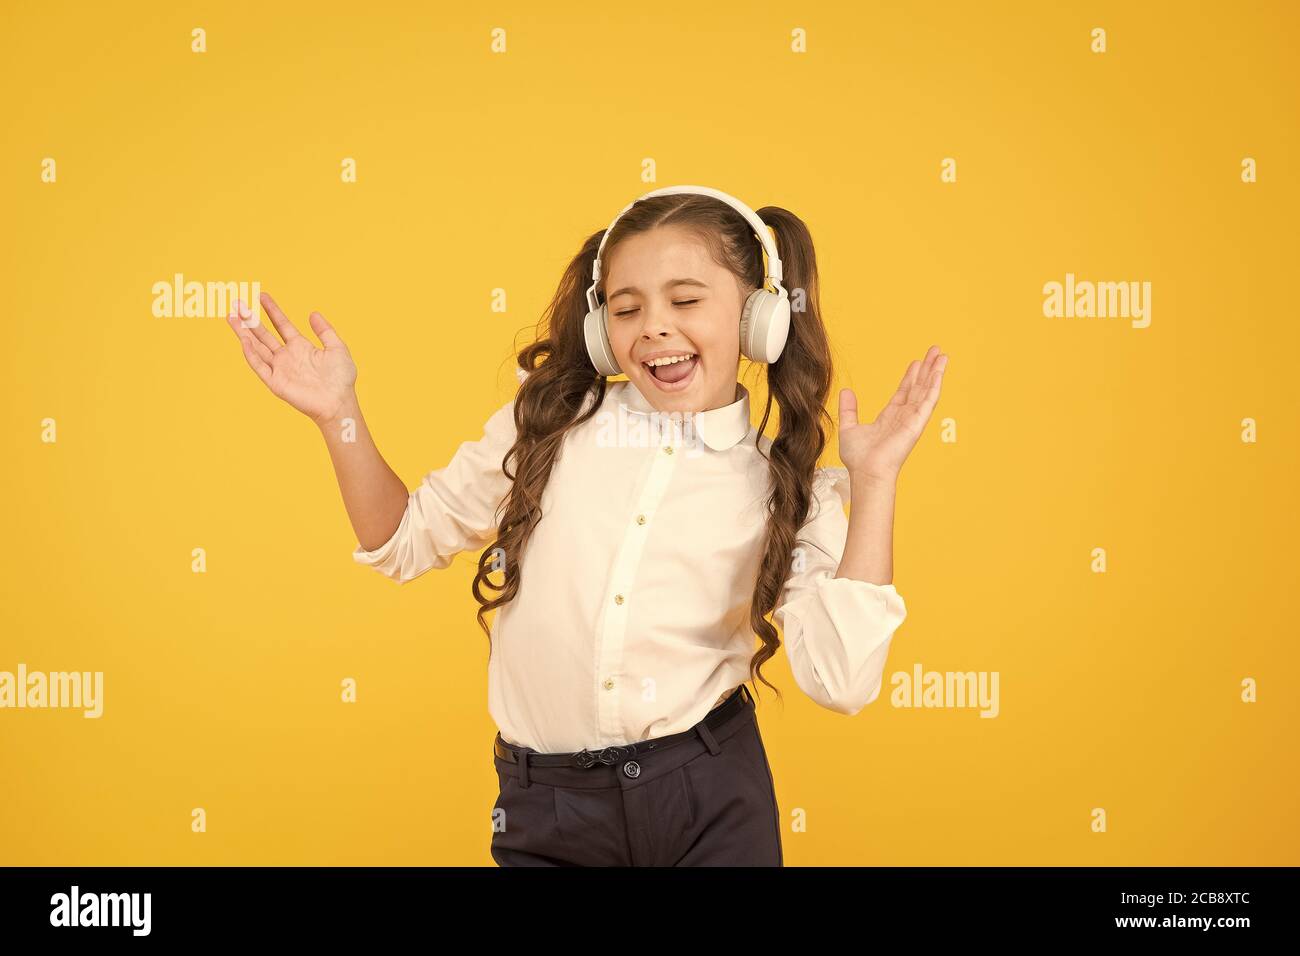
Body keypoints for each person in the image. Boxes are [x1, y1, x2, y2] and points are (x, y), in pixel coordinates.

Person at [225, 185, 948, 866]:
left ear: (759, 319)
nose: (655, 326)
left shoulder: (785, 482)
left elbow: (841, 679)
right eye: (627, 309)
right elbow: (402, 541)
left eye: (687, 299)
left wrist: (876, 480)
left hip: (709, 797)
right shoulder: (546, 426)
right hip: (548, 809)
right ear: (603, 331)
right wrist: (337, 415)